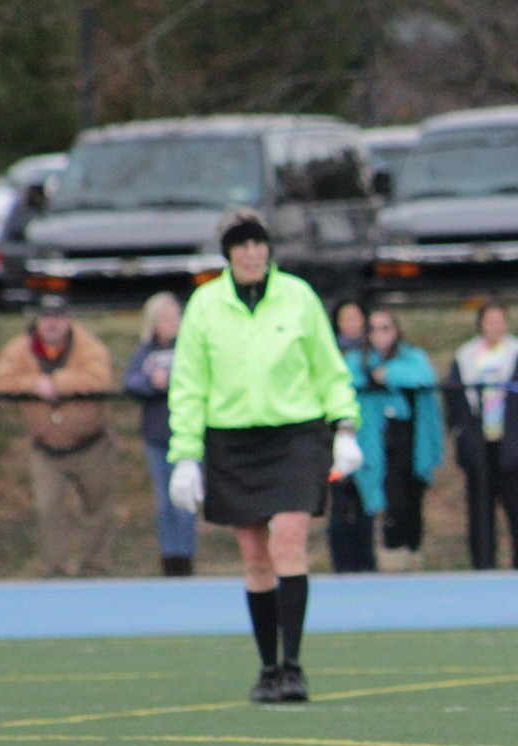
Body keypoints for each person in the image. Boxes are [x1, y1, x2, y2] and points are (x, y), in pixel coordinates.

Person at [166, 208, 362, 704]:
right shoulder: (206, 306)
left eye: (258, 243)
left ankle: (294, 666)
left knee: (289, 540)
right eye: (240, 244)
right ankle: (268, 667)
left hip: (295, 435)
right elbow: (188, 384)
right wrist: (186, 455)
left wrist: (344, 425)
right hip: (233, 441)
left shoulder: (298, 297)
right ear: (227, 252)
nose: (251, 253)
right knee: (254, 557)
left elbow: (328, 367)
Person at [0, 293, 118, 578]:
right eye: (46, 318)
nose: (51, 324)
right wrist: (34, 384)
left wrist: (58, 383)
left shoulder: (88, 346)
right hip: (46, 449)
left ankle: (95, 569)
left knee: (96, 510)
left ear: (67, 320)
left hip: (91, 446)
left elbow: (100, 378)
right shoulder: (20, 349)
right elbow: (0, 379)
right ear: (38, 321)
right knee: (49, 509)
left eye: (58, 318)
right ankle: (55, 570)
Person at [346, 310, 444, 572]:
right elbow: (347, 380)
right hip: (377, 441)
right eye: (374, 329)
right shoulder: (358, 360)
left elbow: (424, 377)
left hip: (410, 440)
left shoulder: (411, 357)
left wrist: (387, 375)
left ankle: (413, 553)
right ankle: (392, 556)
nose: (380, 334)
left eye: (385, 328)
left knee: (413, 499)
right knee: (390, 500)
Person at [448, 299, 518, 570]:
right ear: (481, 324)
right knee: (480, 515)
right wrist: (461, 432)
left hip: (512, 447)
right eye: (489, 321)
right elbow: (454, 401)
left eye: (499, 321)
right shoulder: (465, 355)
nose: (494, 326)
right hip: (479, 447)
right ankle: (482, 568)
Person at [123, 291, 197, 576]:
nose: (173, 322)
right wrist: (152, 382)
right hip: (156, 438)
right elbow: (130, 381)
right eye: (165, 317)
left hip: (186, 437)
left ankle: (186, 559)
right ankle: (170, 560)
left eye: (176, 315)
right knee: (164, 503)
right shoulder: (146, 353)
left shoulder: (190, 350)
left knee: (185, 502)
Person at [326, 300, 376, 573]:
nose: (351, 323)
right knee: (340, 503)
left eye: (356, 317)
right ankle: (341, 564)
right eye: (345, 318)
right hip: (337, 440)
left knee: (365, 502)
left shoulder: (375, 351)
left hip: (369, 440)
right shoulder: (328, 352)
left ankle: (366, 562)